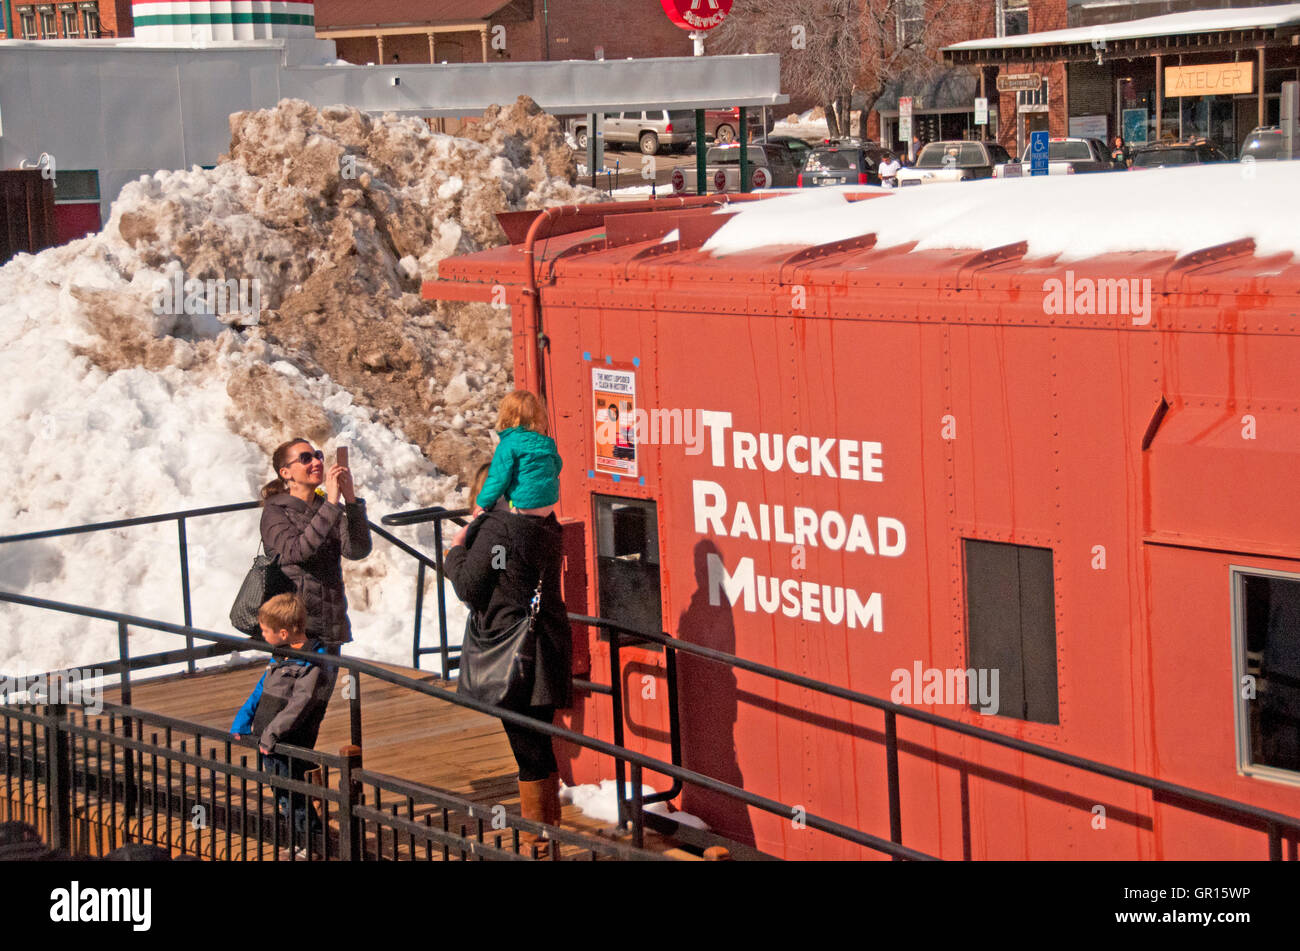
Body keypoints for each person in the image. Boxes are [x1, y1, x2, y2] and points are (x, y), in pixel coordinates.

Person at [446, 463, 572, 850]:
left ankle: (539, 837)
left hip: (513, 648)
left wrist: (455, 549)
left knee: (527, 746)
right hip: (545, 642)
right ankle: (548, 827)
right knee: (539, 740)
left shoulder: (499, 531)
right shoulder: (546, 526)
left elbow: (472, 586)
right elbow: (505, 571)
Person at [231, 593, 333, 854]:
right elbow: (260, 690)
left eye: (265, 630)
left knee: (292, 794)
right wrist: (243, 719)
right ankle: (299, 839)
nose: (262, 635)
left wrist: (272, 733)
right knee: (282, 793)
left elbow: (300, 703)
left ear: (284, 633)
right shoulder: (280, 654)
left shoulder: (311, 663)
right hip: (268, 738)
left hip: (286, 739)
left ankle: (312, 841)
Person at [260, 437, 372, 651]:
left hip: (331, 620)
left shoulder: (326, 508)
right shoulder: (275, 511)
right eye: (305, 458)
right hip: (295, 625)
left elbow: (356, 550)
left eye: (318, 455)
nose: (317, 462)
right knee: (291, 683)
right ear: (286, 473)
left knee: (325, 683)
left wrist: (350, 501)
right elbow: (297, 551)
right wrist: (331, 503)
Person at [475, 390, 563, 517]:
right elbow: (557, 466)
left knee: (489, 515)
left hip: (524, 506)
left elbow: (498, 479)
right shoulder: (546, 442)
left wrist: (481, 503)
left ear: (506, 415)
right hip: (548, 505)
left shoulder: (508, 444)